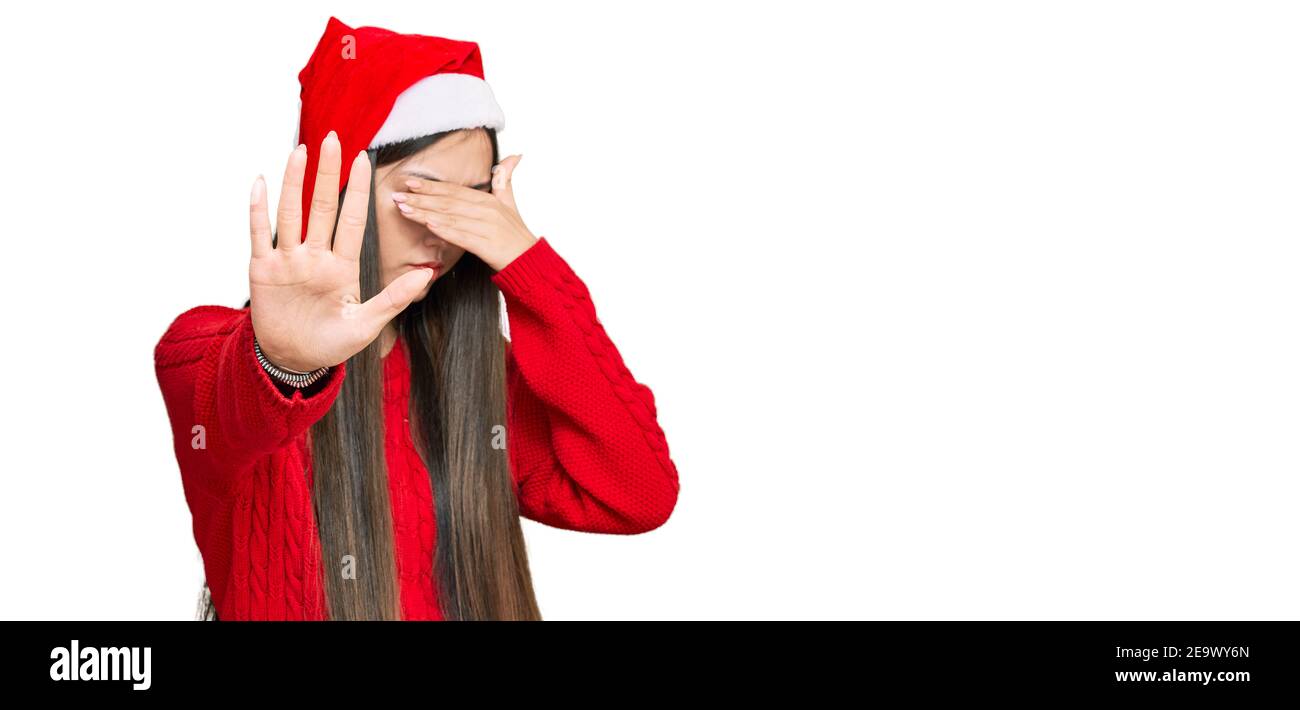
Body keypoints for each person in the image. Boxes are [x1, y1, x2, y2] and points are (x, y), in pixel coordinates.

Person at [153, 16, 679, 621]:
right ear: (340, 184)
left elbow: (637, 492)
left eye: (473, 200)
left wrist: (530, 269)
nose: (446, 228)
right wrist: (287, 365)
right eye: (421, 193)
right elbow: (235, 402)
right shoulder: (202, 352)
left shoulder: (481, 383)